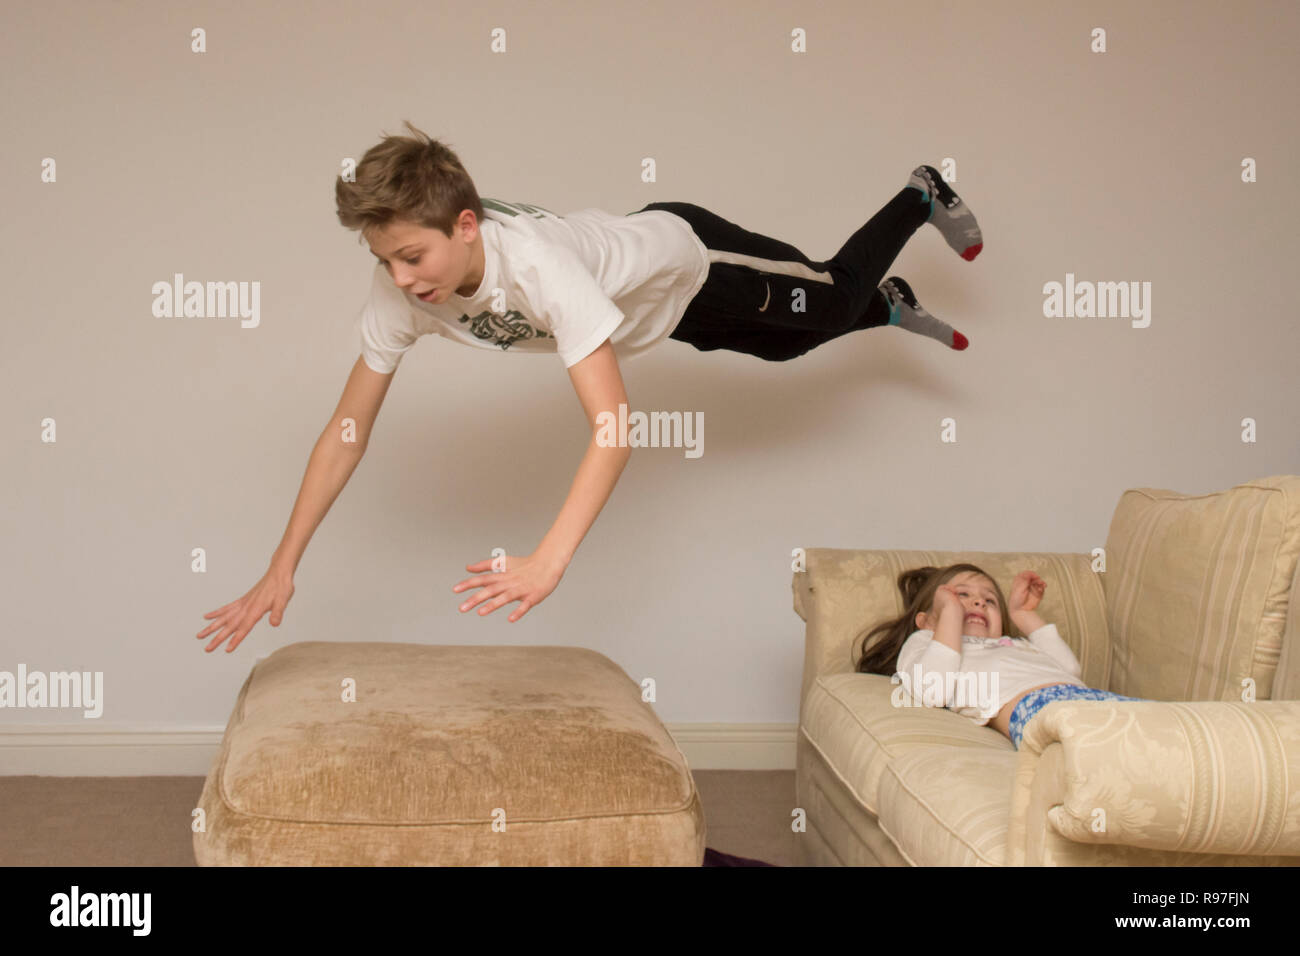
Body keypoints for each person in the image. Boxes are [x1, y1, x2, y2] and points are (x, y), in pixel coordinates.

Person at [196, 120, 982, 652]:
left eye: (411, 257)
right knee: (784, 355)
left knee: (830, 295)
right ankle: (891, 306)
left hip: (698, 262)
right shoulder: (400, 292)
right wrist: (283, 562)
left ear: (465, 226)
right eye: (384, 261)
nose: (401, 279)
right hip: (651, 310)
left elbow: (613, 429)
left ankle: (918, 195)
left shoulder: (536, 268)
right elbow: (347, 429)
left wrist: (548, 559)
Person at [854, 564, 1143, 748]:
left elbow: (1069, 669)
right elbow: (933, 690)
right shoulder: (926, 641)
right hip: (1038, 710)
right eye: (961, 595)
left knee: (1167, 730)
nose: (979, 601)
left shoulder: (1013, 644)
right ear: (926, 620)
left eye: (990, 600)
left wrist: (1023, 614)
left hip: (1090, 697)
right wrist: (950, 615)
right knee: (1104, 748)